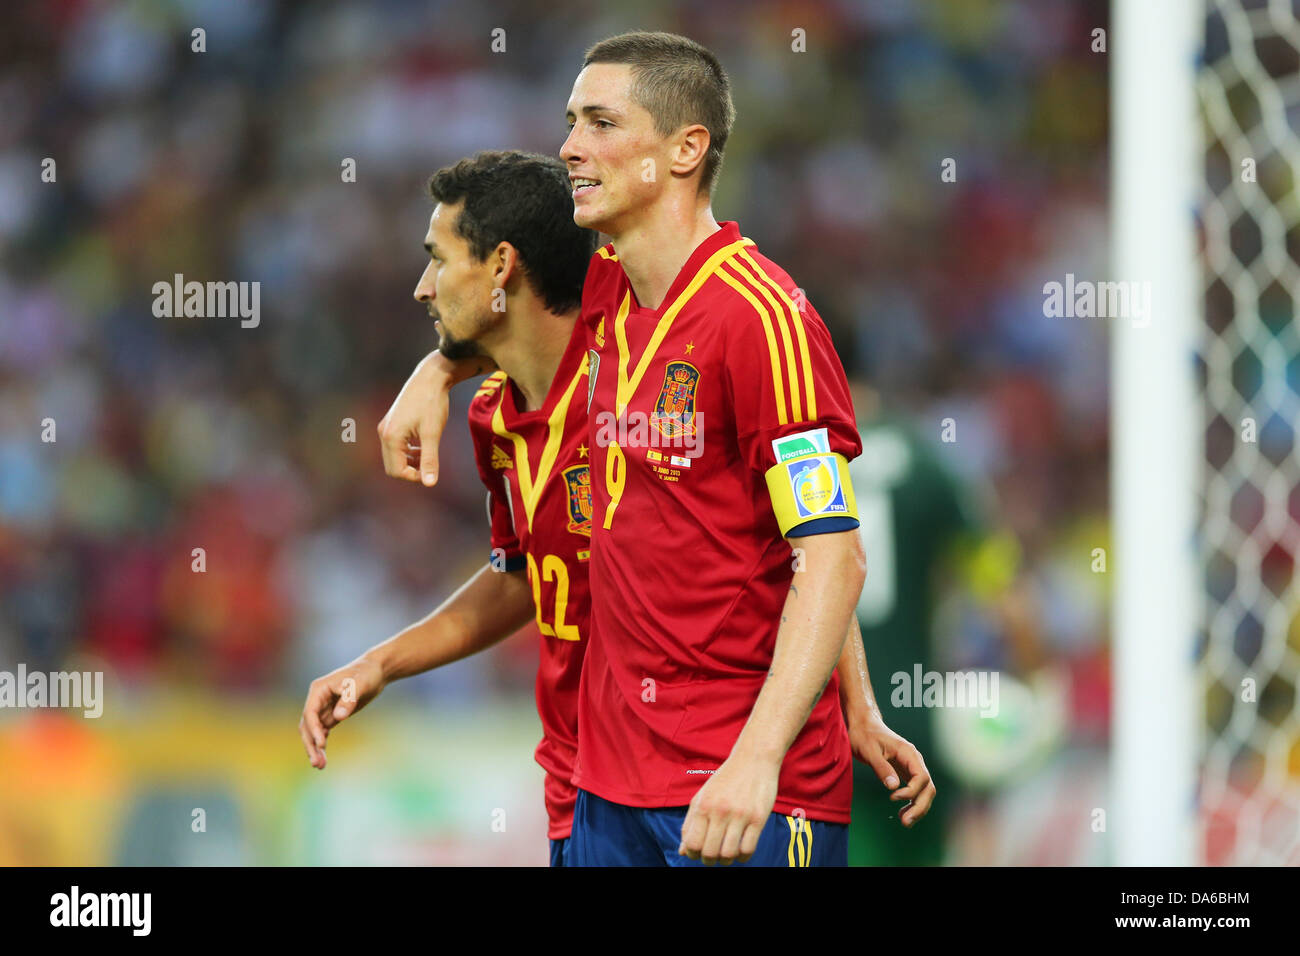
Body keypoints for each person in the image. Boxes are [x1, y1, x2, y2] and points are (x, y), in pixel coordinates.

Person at [379, 32, 936, 866]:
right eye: (571, 121)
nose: (571, 146)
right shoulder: (609, 291)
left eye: (602, 123)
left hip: (742, 793)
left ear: (685, 149)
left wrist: (759, 759)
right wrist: (436, 370)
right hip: (609, 794)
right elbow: (513, 316)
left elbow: (829, 552)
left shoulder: (762, 319)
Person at [298, 150, 599, 866]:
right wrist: (379, 664)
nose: (422, 287)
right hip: (580, 783)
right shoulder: (493, 417)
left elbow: (804, 546)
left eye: (437, 260)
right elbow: (523, 575)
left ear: (501, 266)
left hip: (700, 778)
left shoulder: (643, 388)